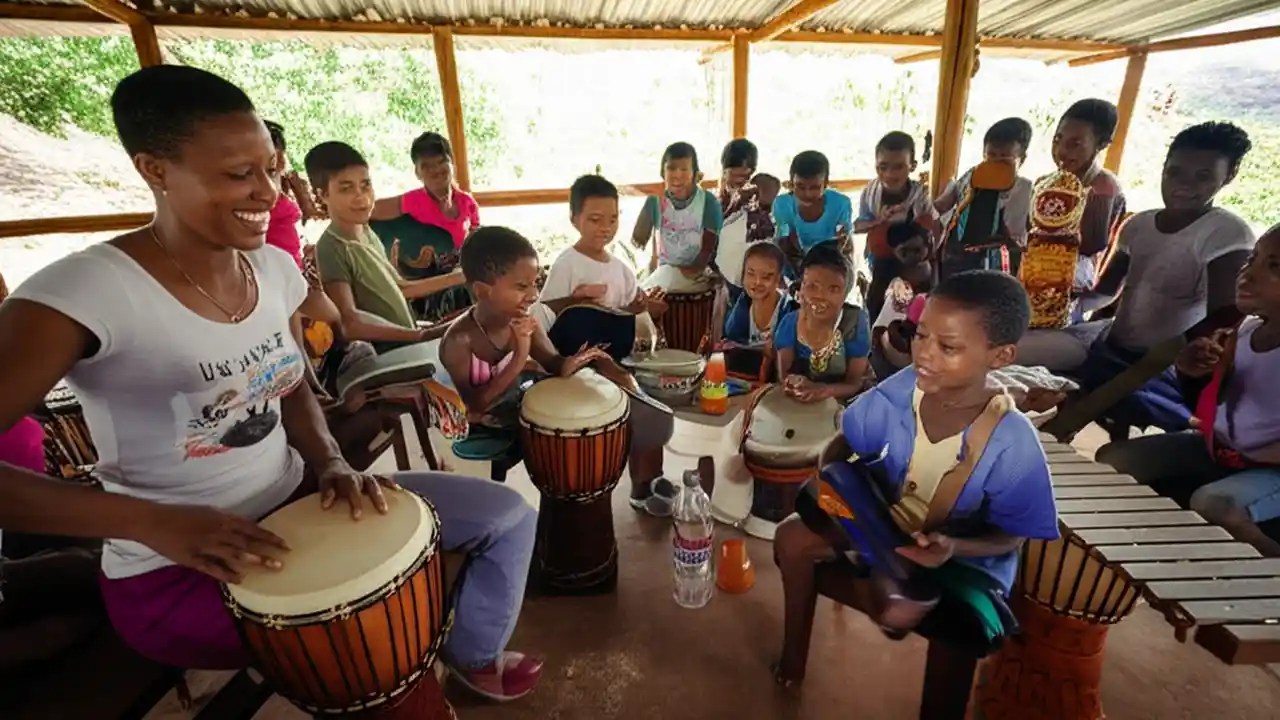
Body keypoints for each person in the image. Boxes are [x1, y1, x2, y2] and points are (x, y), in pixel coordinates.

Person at [0, 65, 541, 703]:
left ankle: (471, 654)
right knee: (384, 652)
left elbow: (287, 386)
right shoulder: (82, 295)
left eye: (271, 169)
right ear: (154, 170)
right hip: (176, 568)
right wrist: (153, 523)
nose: (270, 193)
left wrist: (331, 461)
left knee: (505, 516)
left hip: (305, 500)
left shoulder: (275, 271)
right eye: (238, 174)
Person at [774, 270, 1058, 685]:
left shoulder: (1013, 442)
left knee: (959, 628)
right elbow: (842, 442)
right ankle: (793, 661)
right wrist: (840, 494)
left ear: (1000, 357)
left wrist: (953, 546)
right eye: (921, 336)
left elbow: (1011, 537)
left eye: (948, 347)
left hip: (955, 555)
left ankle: (888, 586)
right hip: (883, 524)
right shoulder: (905, 386)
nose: (924, 354)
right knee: (793, 535)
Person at [1021, 122, 1255, 431]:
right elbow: (1105, 292)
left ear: (1229, 176)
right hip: (1111, 343)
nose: (1184, 185)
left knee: (1079, 412)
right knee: (1018, 351)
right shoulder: (1139, 226)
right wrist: (1049, 296)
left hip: (1164, 365)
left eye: (1203, 176)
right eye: (1175, 172)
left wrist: (1180, 353)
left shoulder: (1225, 233)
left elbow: (1225, 316)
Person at [443, 226, 687, 516]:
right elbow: (476, 405)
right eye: (522, 287)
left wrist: (591, 360)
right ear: (484, 291)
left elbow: (555, 363)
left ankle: (645, 484)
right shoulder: (459, 340)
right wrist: (521, 355)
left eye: (536, 283)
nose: (534, 295)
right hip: (479, 430)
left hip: (521, 405)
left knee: (626, 399)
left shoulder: (523, 320)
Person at [1097, 226, 1280, 555]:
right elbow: (1217, 403)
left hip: (1269, 469)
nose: (1248, 273)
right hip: (1222, 451)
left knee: (1214, 504)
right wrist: (1192, 372)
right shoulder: (1244, 330)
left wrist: (1255, 456)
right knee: (1113, 461)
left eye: (1274, 266)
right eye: (1252, 259)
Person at [308, 141, 454, 354]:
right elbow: (349, 323)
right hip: (388, 357)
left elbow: (402, 288)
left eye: (366, 185)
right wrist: (418, 336)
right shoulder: (331, 248)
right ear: (322, 195)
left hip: (411, 342)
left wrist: (461, 276)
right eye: (346, 188)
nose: (361, 196)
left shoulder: (366, 231)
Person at [263, 121, 341, 331]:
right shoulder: (260, 208)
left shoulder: (285, 195)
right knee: (339, 320)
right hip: (290, 289)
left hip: (300, 275)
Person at [935, 117, 1034, 277]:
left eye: (1004, 158)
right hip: (959, 260)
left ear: (1021, 159)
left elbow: (1024, 233)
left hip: (1001, 267)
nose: (995, 163)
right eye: (991, 155)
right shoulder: (970, 177)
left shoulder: (1025, 189)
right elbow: (943, 207)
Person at [773, 243, 871, 403]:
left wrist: (823, 391)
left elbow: (855, 384)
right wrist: (794, 383)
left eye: (833, 289)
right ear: (801, 288)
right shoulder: (789, 324)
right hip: (800, 406)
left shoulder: (854, 324)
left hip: (845, 406)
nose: (821, 296)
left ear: (845, 294)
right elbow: (784, 378)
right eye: (812, 286)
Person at [1050, 99, 1127, 299]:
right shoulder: (1052, 181)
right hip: (1046, 271)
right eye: (1058, 139)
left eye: (1075, 144)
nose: (1062, 150)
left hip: (1076, 286)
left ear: (1101, 144)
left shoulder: (1103, 186)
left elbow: (1091, 245)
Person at [856, 132, 935, 320]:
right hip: (882, 258)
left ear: (912, 166)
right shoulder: (870, 193)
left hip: (913, 255)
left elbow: (930, 226)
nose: (890, 174)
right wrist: (878, 221)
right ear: (876, 166)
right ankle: (875, 334)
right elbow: (858, 226)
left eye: (898, 167)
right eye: (883, 167)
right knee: (878, 299)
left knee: (922, 291)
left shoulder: (920, 195)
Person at [631, 141, 724, 276]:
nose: (677, 175)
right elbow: (638, 240)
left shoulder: (709, 203)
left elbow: (707, 253)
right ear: (663, 172)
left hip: (698, 276)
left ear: (694, 174)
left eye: (684, 169)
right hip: (661, 273)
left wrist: (683, 275)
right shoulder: (655, 200)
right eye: (671, 168)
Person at [774, 151, 854, 279]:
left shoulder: (840, 204)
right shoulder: (782, 204)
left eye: (815, 187)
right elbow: (785, 242)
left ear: (826, 183)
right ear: (791, 183)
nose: (807, 194)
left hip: (831, 263)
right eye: (800, 186)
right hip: (794, 266)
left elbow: (844, 243)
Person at [871, 222, 934, 377]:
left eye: (917, 250)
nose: (913, 256)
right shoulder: (885, 275)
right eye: (905, 252)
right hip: (891, 345)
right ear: (893, 251)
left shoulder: (937, 265)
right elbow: (875, 311)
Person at [723, 241, 787, 347]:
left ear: (778, 280)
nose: (757, 282)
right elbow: (732, 341)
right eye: (751, 274)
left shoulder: (789, 310)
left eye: (766, 277)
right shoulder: (742, 306)